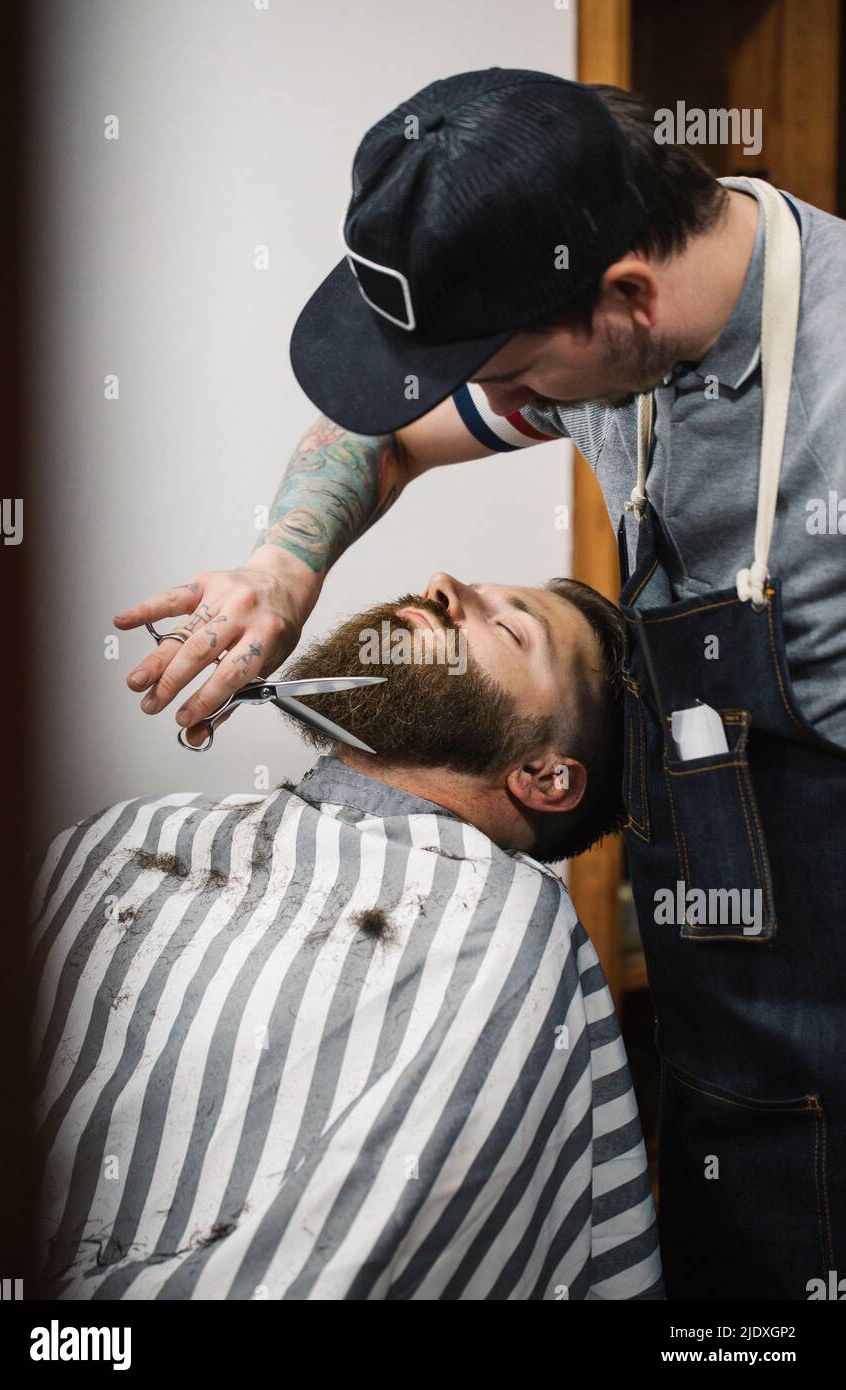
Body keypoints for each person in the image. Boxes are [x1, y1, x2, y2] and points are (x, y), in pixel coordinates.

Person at [113, 70, 846, 1300]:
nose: (497, 409)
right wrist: (282, 571)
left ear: (624, 302)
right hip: (722, 1032)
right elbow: (380, 433)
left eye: (505, 373)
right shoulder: (606, 317)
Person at [30, 573, 663, 1301]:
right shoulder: (132, 829)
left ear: (544, 777)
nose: (447, 586)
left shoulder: (504, 931)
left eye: (513, 630)